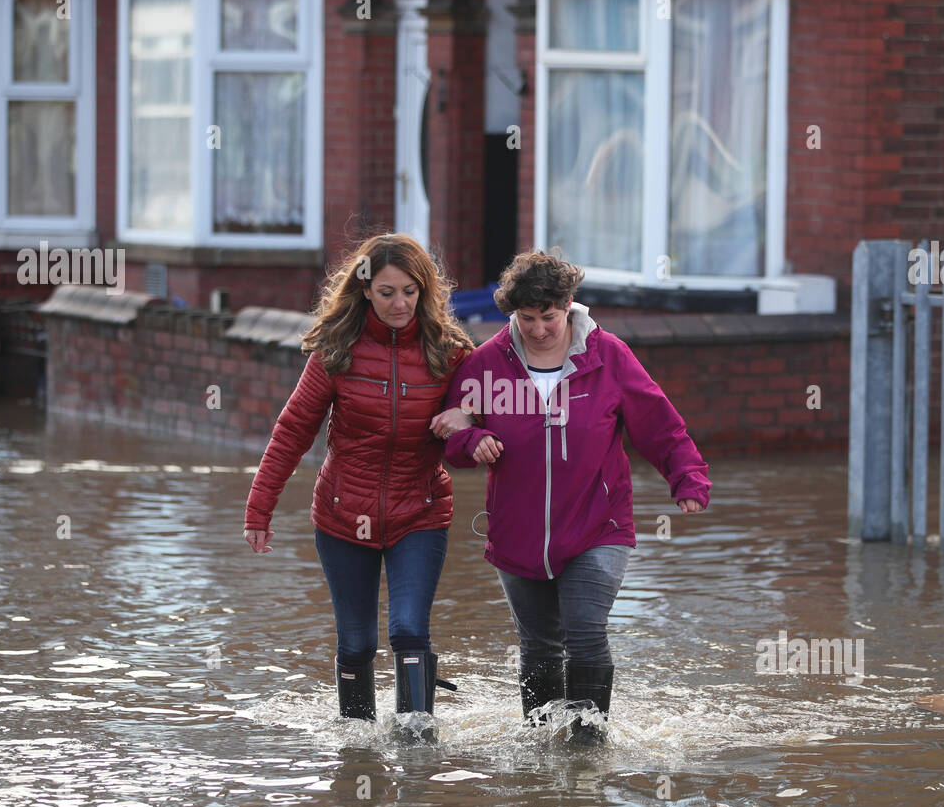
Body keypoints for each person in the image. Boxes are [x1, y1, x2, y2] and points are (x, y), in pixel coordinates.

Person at [431, 250, 710, 745]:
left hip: (598, 526)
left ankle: (587, 747)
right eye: (527, 318)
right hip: (518, 532)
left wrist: (686, 477)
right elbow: (452, 431)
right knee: (538, 645)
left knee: (583, 632)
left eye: (549, 317)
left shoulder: (610, 357)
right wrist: (472, 441)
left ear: (570, 306)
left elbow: (660, 427)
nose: (539, 329)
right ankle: (540, 749)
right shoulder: (487, 363)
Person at [243, 233, 473, 737]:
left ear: (425, 291)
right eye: (387, 291)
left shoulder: (450, 353)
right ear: (366, 290)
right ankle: (357, 752)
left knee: (410, 630)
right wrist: (259, 510)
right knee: (356, 644)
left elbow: (493, 415)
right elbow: (292, 431)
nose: (400, 303)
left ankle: (417, 748)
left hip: (421, 512)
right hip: (344, 515)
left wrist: (467, 413)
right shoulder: (336, 351)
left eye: (410, 291)